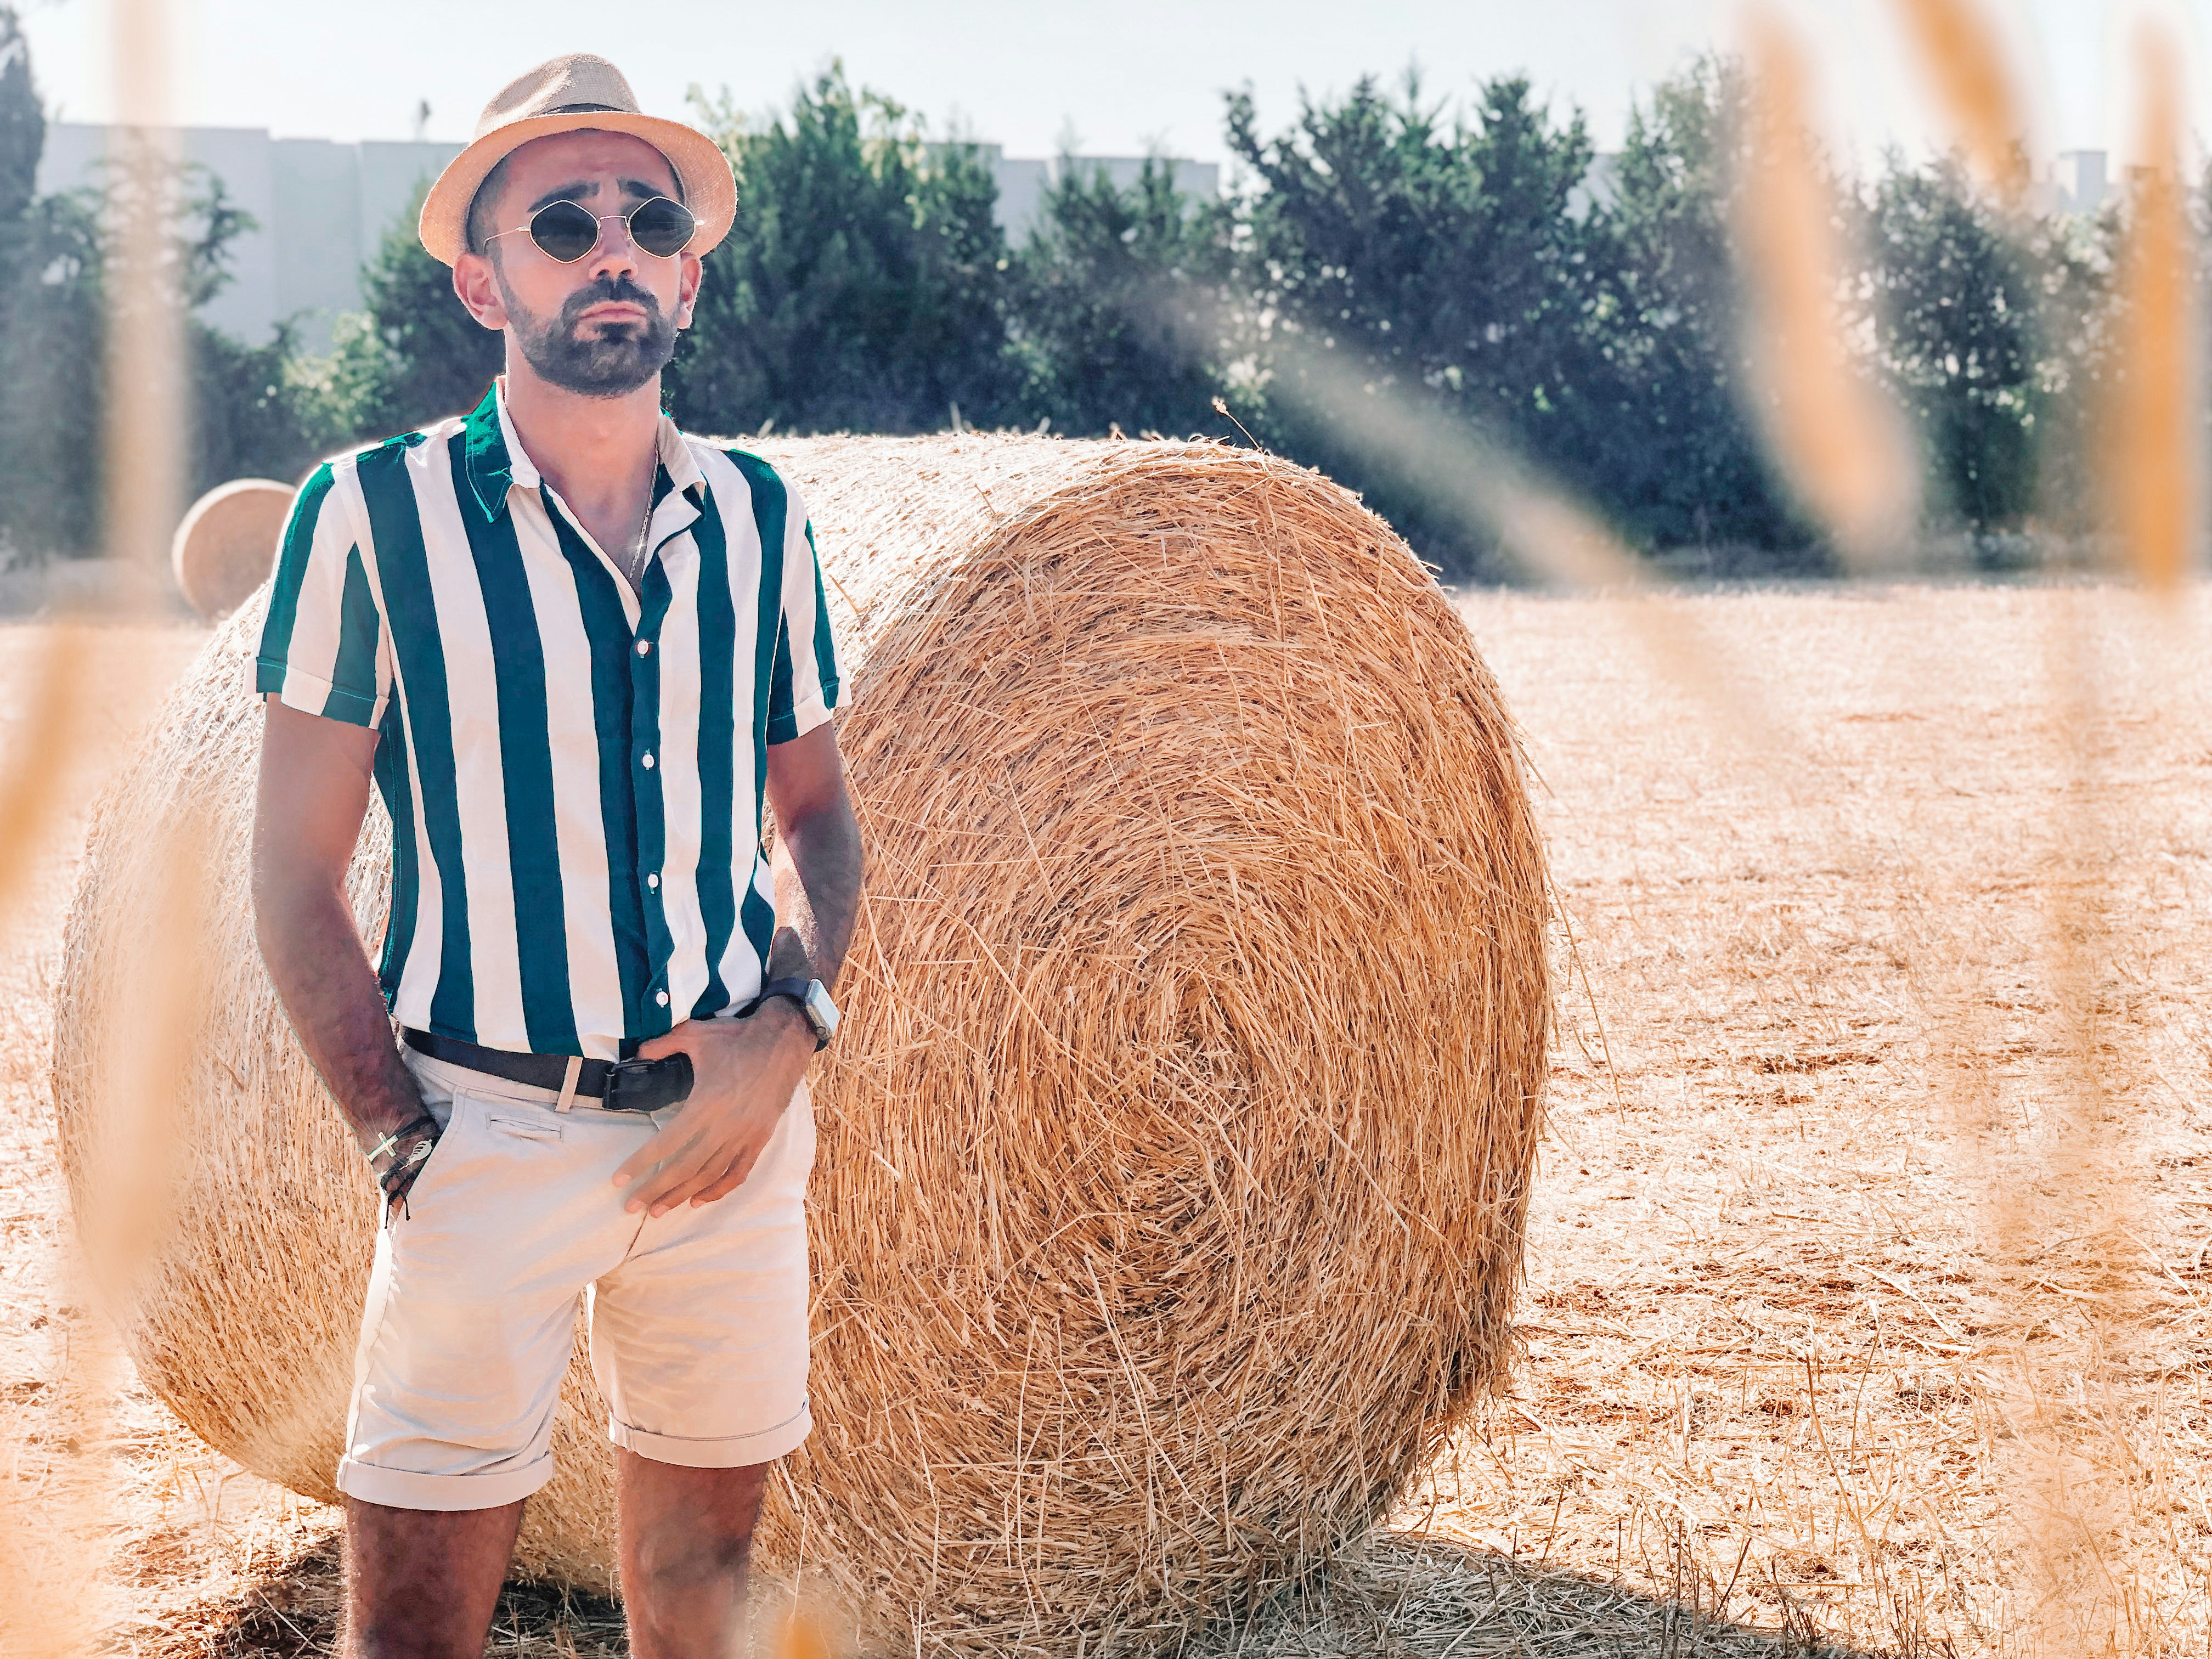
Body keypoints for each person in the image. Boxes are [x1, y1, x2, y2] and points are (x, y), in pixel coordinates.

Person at [249, 53, 862, 1659]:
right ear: (482, 276)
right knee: (414, 1628)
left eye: (644, 221)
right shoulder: (367, 518)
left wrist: (786, 1039)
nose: (610, 251)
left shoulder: (762, 521)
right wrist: (405, 1142)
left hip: (731, 1146)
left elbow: (819, 818)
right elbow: (291, 877)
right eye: (561, 221)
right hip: (485, 1136)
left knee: (697, 1601)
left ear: (686, 272)